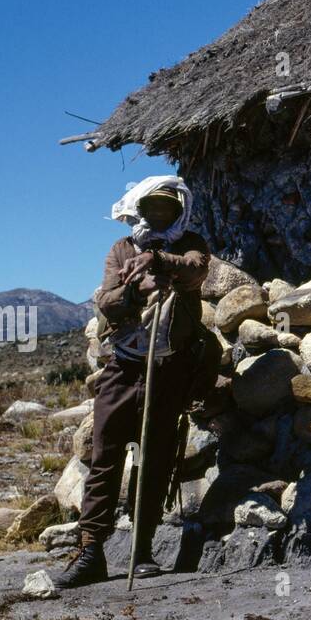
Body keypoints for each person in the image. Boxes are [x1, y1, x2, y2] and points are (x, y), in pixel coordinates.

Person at [54, 175, 212, 589]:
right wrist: (137, 291)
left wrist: (163, 264)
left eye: (166, 207)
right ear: (140, 211)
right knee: (105, 456)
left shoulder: (189, 242)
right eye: (151, 208)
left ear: (178, 210)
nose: (158, 215)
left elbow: (196, 271)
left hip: (168, 369)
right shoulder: (122, 249)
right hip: (124, 366)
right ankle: (91, 550)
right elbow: (105, 300)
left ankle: (142, 551)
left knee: (155, 458)